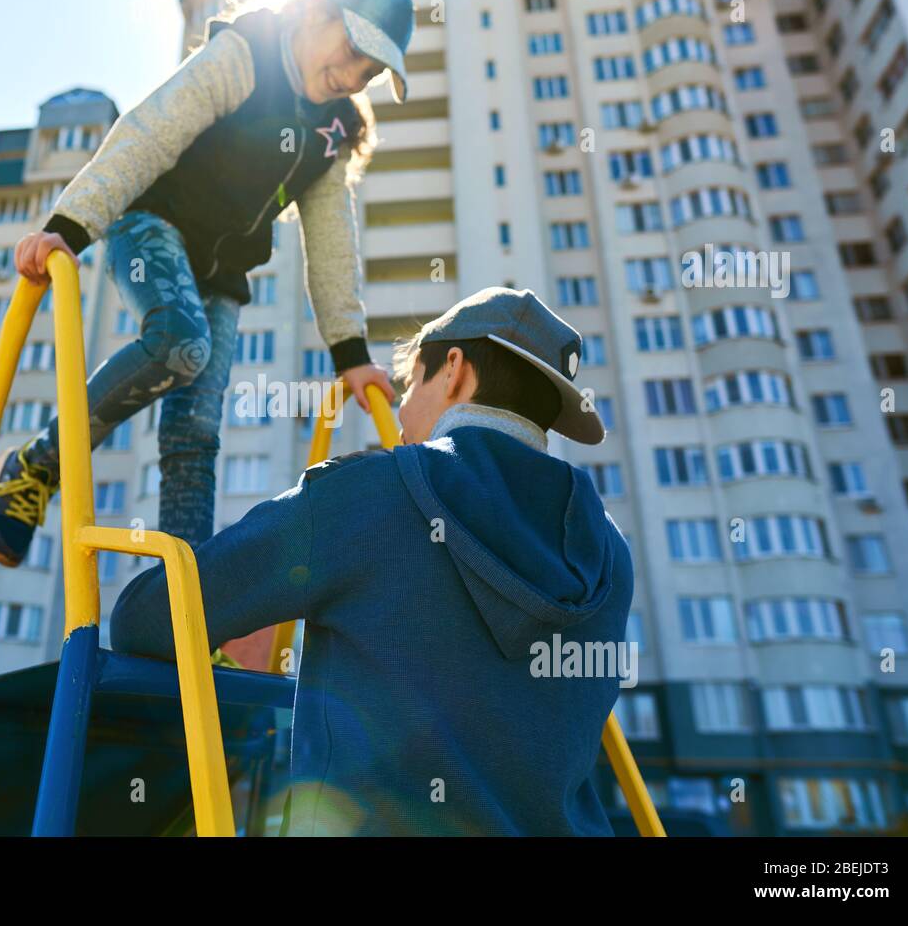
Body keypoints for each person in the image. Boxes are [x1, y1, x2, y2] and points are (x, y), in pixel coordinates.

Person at [110, 287, 635, 836]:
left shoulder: (368, 494)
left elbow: (143, 620)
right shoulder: (610, 554)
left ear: (453, 369)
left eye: (410, 385)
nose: (401, 417)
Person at [0, 0, 416, 565]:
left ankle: (183, 603)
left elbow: (333, 236)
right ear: (314, 11)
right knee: (181, 343)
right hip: (149, 224)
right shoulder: (246, 56)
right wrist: (69, 226)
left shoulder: (333, 134)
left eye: (371, 72)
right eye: (352, 50)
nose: (354, 75)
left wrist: (351, 352)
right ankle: (36, 466)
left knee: (197, 431)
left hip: (222, 276)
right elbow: (152, 131)